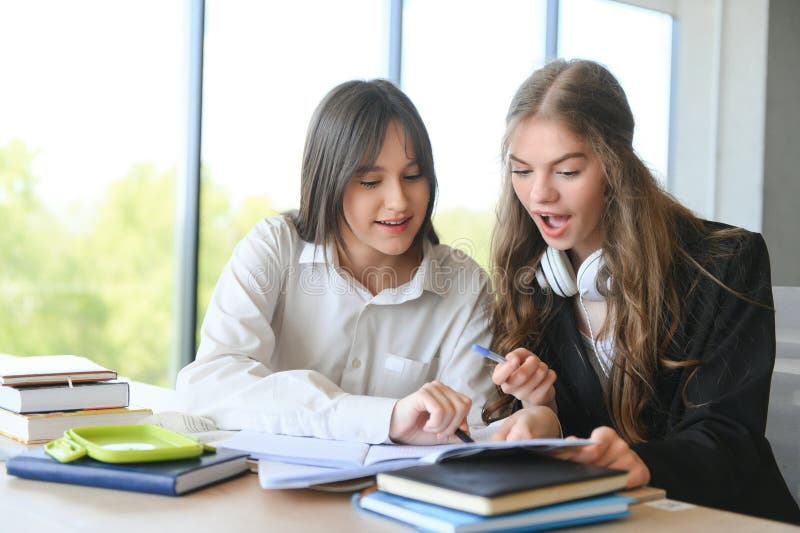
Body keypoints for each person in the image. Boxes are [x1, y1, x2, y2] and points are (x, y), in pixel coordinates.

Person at [483, 58, 800, 524]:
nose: (538, 195)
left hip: (723, 519)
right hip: (606, 519)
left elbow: (728, 438)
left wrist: (644, 463)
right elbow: (551, 431)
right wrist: (539, 411)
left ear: (617, 166)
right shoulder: (534, 277)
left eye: (567, 171)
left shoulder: (727, 261)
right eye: (522, 171)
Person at [176, 80, 494, 445]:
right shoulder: (274, 248)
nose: (399, 201)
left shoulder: (465, 287)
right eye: (371, 181)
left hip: (394, 494)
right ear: (329, 181)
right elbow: (208, 387)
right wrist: (382, 418)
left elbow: (472, 435)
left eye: (412, 176)